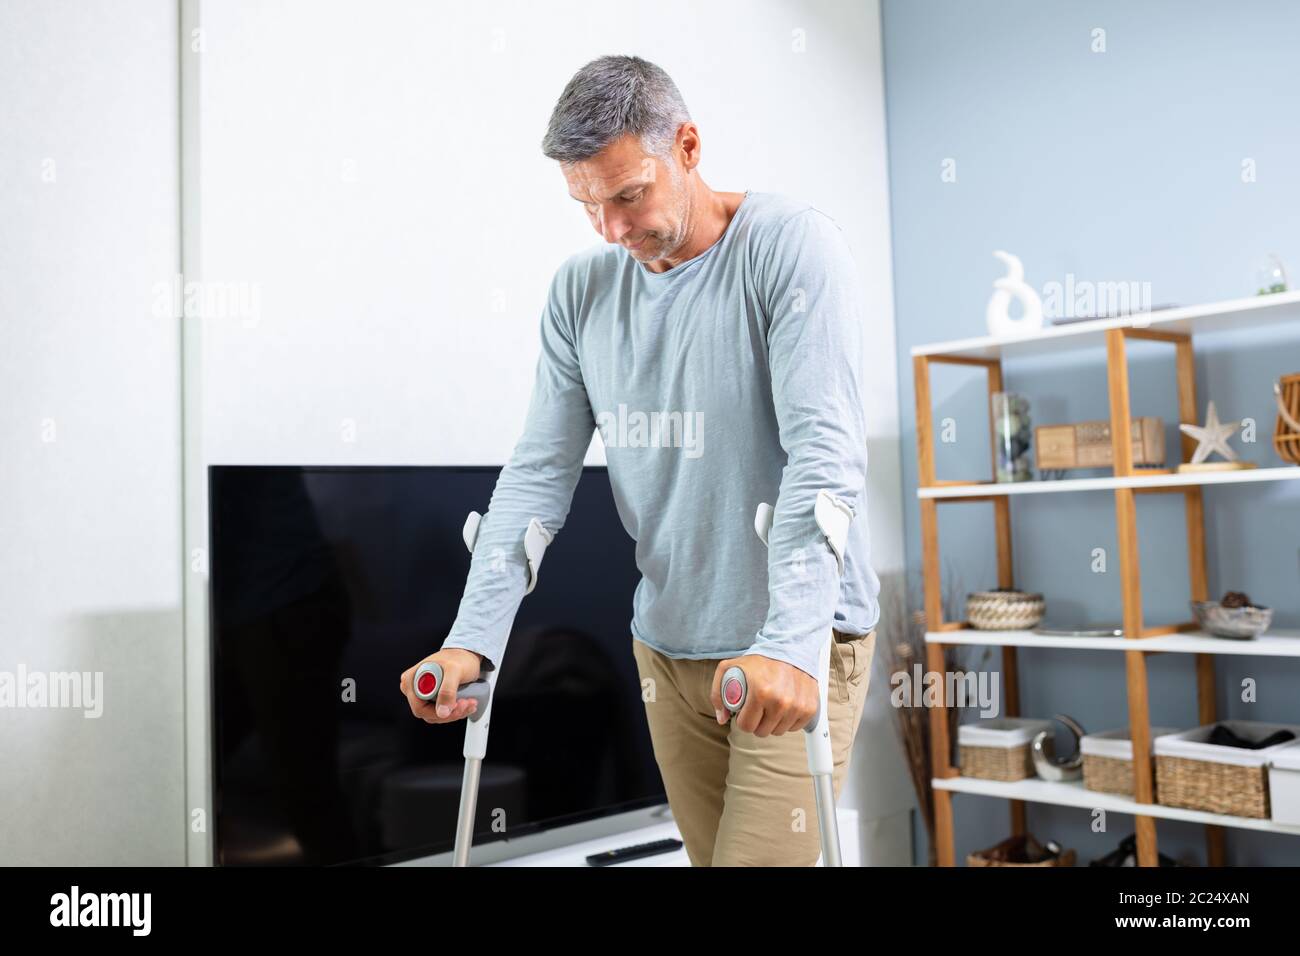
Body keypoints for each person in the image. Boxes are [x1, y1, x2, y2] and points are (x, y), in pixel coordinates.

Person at [399, 54, 881, 866]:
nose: (613, 229)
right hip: (666, 649)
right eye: (587, 205)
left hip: (788, 645)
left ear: (688, 147)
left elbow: (824, 457)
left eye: (629, 195)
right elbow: (537, 474)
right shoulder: (581, 293)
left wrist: (792, 646)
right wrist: (472, 638)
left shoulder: (790, 250)